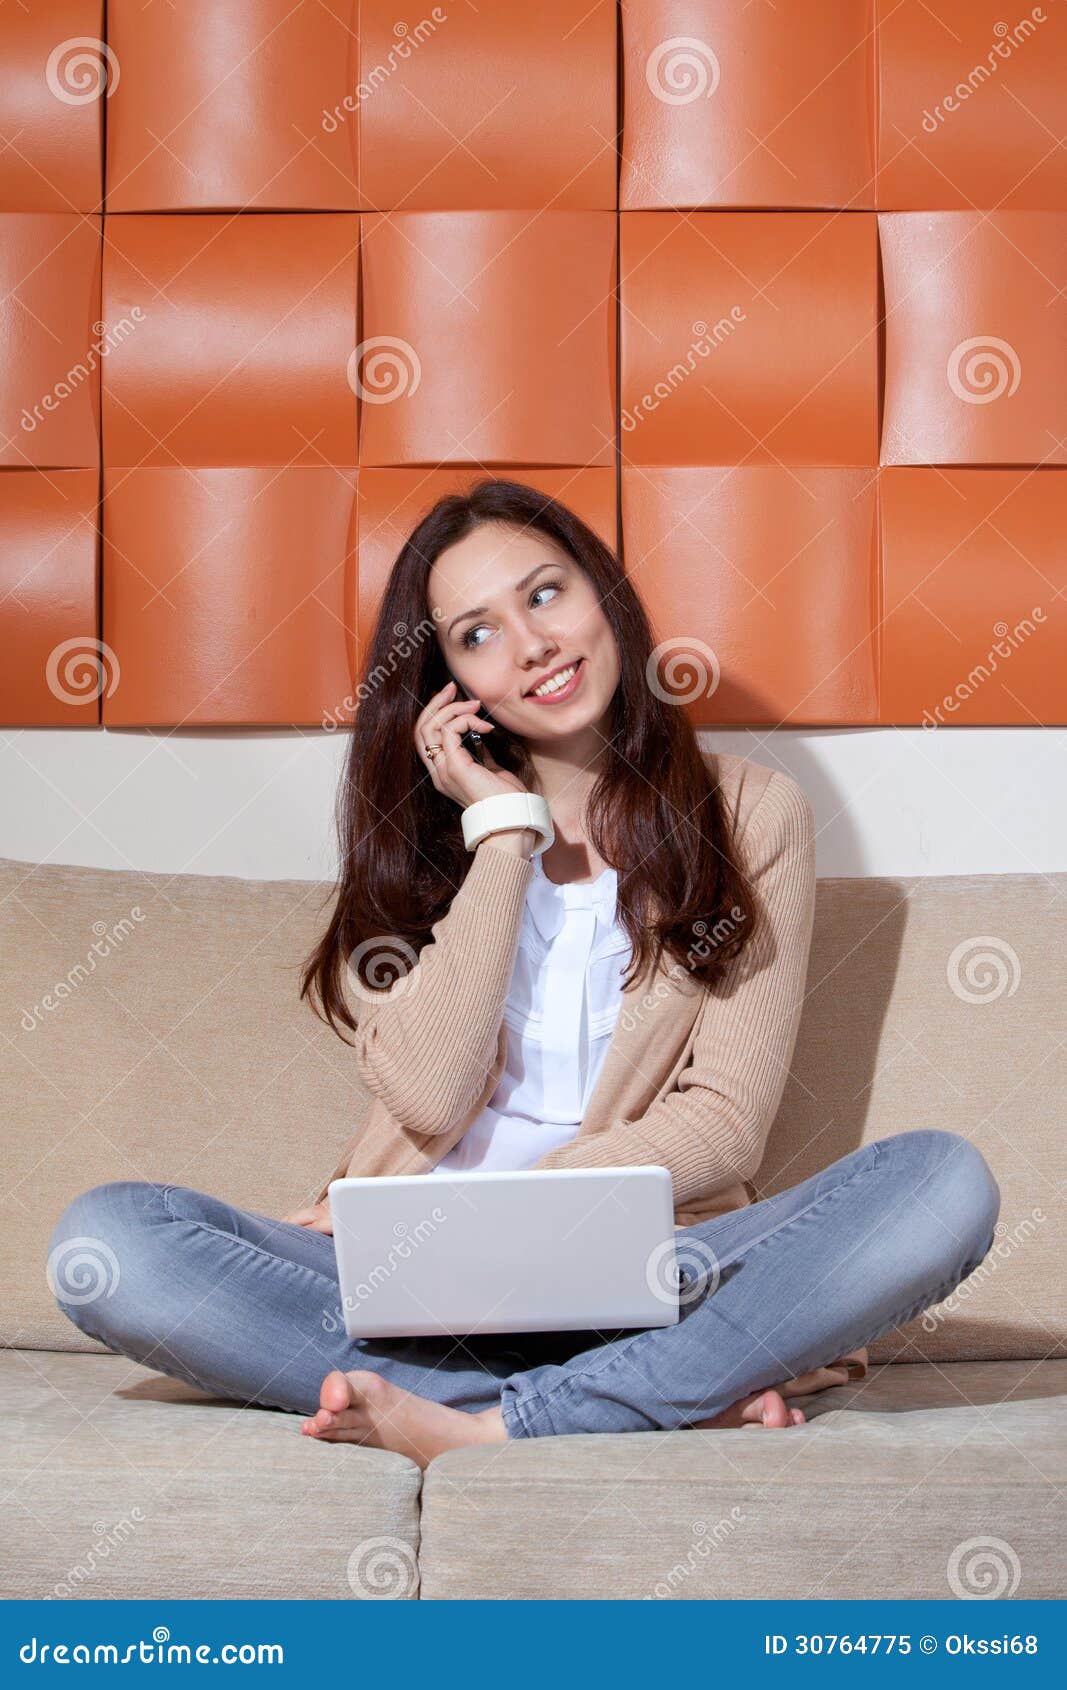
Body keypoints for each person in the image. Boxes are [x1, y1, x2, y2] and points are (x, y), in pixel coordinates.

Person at [48, 479, 1001, 1469]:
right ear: (448, 683)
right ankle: (650, 1393)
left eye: (544, 594)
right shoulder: (421, 841)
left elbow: (722, 1125)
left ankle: (493, 1424)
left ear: (602, 594)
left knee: (940, 1185)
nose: (532, 643)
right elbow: (429, 1100)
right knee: (112, 1242)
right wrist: (501, 835)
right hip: (415, 1284)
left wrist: (496, 1221)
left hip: (644, 1269)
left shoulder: (752, 813)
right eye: (476, 632)